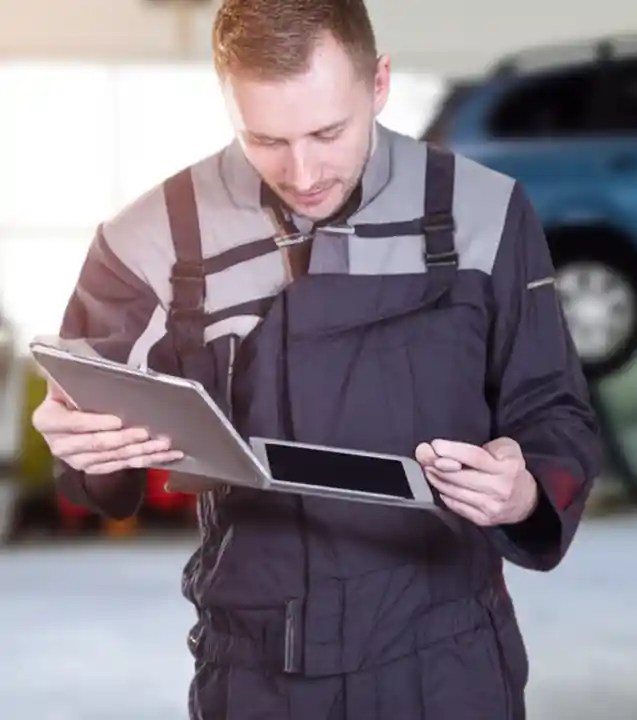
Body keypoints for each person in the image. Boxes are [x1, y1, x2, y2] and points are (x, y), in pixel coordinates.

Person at [30, 0, 601, 717]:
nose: (301, 172)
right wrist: (84, 443)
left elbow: (555, 412)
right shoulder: (150, 238)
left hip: (448, 659)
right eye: (264, 139)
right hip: (256, 670)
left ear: (380, 83)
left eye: (328, 132)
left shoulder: (485, 214)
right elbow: (91, 447)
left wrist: (522, 494)